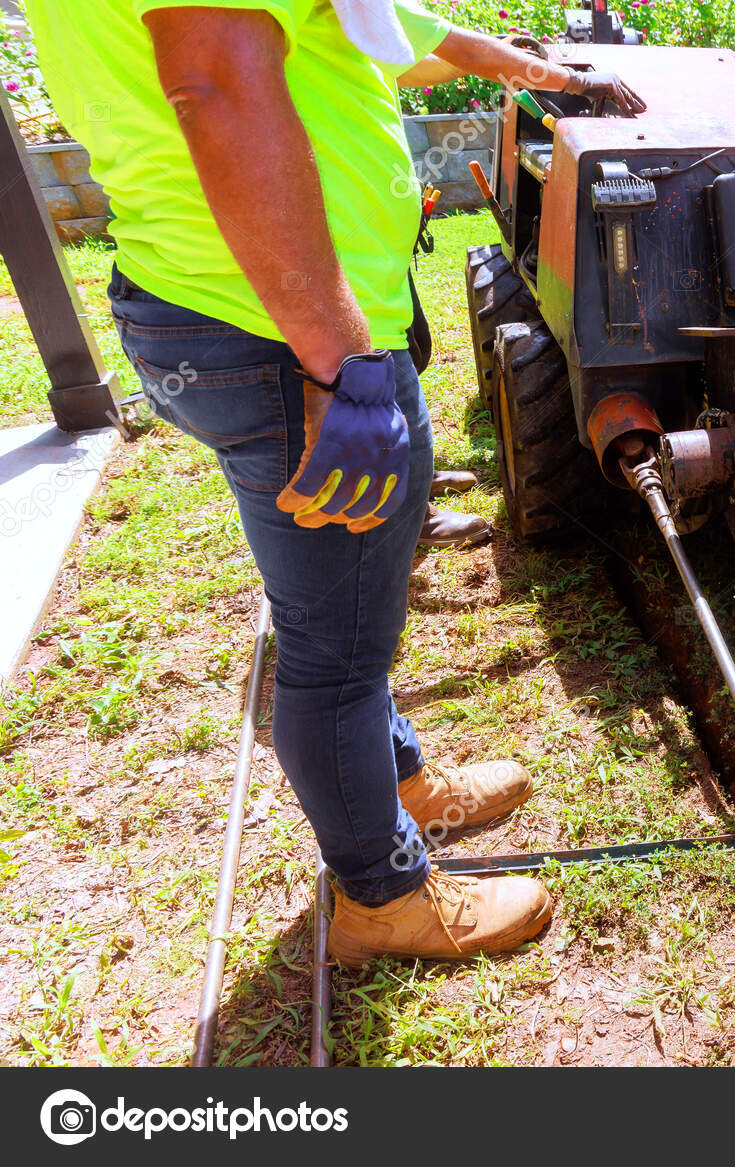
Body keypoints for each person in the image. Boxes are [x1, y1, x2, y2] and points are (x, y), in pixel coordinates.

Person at [28, 2, 644, 965]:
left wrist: (539, 72)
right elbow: (217, 86)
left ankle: (397, 782)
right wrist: (339, 364)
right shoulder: (315, 352)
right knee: (335, 654)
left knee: (347, 607)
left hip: (237, 309)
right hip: (281, 331)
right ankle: (382, 896)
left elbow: (385, 34)